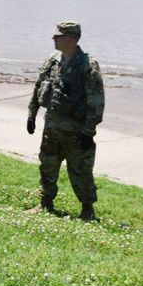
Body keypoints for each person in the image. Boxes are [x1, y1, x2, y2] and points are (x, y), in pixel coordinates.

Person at [26, 21, 105, 220]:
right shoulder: (52, 60)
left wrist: (88, 132)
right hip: (52, 127)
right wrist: (32, 113)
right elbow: (38, 88)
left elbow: (96, 102)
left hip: (76, 132)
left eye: (58, 36)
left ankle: (87, 210)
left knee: (80, 171)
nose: (53, 38)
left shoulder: (87, 65)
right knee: (47, 165)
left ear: (70, 39)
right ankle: (45, 203)